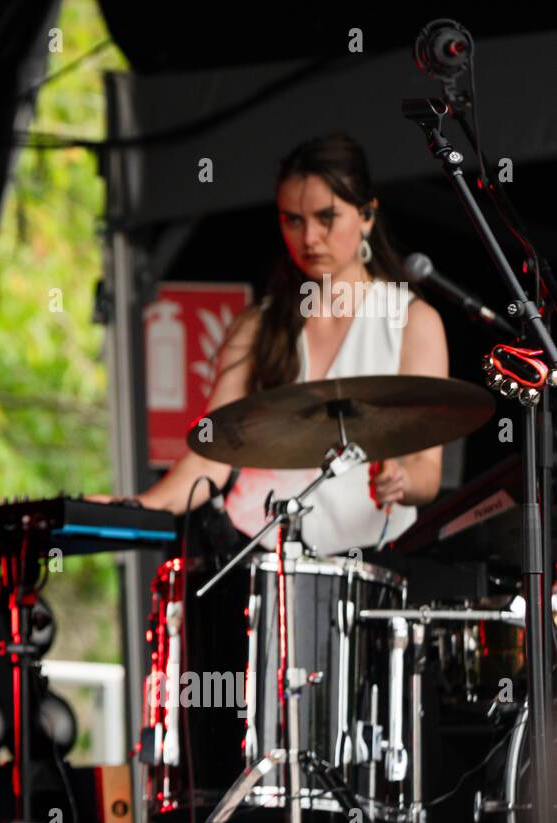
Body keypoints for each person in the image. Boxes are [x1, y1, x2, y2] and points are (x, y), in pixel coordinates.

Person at [107, 133, 449, 557]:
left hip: (369, 563)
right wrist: (136, 507)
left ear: (366, 216)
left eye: (327, 218)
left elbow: (426, 473)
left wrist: (400, 480)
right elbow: (212, 456)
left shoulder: (413, 321)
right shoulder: (259, 325)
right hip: (258, 553)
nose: (309, 238)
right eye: (293, 220)